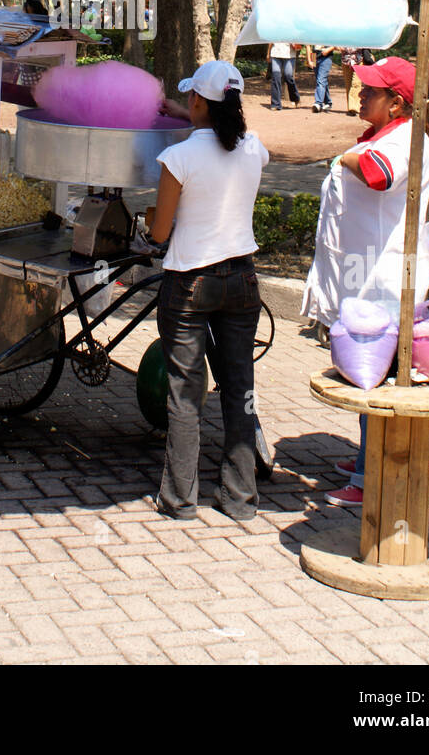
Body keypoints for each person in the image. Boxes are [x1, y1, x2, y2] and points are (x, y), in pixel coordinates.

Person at [301, 57, 429, 507]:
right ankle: (364, 460)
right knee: (365, 371)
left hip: (382, 282)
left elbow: (381, 175)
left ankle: (370, 480)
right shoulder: (389, 134)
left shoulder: (405, 142)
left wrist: (349, 155)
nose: (360, 94)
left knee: (374, 378)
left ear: (397, 104)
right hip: (365, 278)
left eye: (371, 91)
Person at [146, 59, 270, 521]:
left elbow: (160, 234)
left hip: (190, 284)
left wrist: (149, 228)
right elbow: (228, 135)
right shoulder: (254, 148)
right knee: (238, 388)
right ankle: (240, 499)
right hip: (242, 281)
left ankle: (180, 499)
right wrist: (190, 113)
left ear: (198, 100)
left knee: (185, 391)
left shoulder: (178, 159)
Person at [267, 41, 301, 110]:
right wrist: (268, 54)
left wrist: (296, 45)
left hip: (289, 55)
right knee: (276, 76)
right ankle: (275, 104)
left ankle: (295, 98)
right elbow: (271, 41)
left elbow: (299, 45)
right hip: (275, 54)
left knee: (288, 75)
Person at [312, 44, 336, 112]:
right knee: (320, 81)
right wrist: (310, 59)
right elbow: (309, 47)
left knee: (321, 80)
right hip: (314, 56)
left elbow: (336, 44)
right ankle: (328, 102)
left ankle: (318, 103)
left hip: (326, 57)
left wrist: (329, 49)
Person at [340, 48, 363, 116]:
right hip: (346, 60)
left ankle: (353, 108)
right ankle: (352, 107)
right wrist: (339, 47)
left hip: (358, 60)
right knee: (348, 84)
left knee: (356, 83)